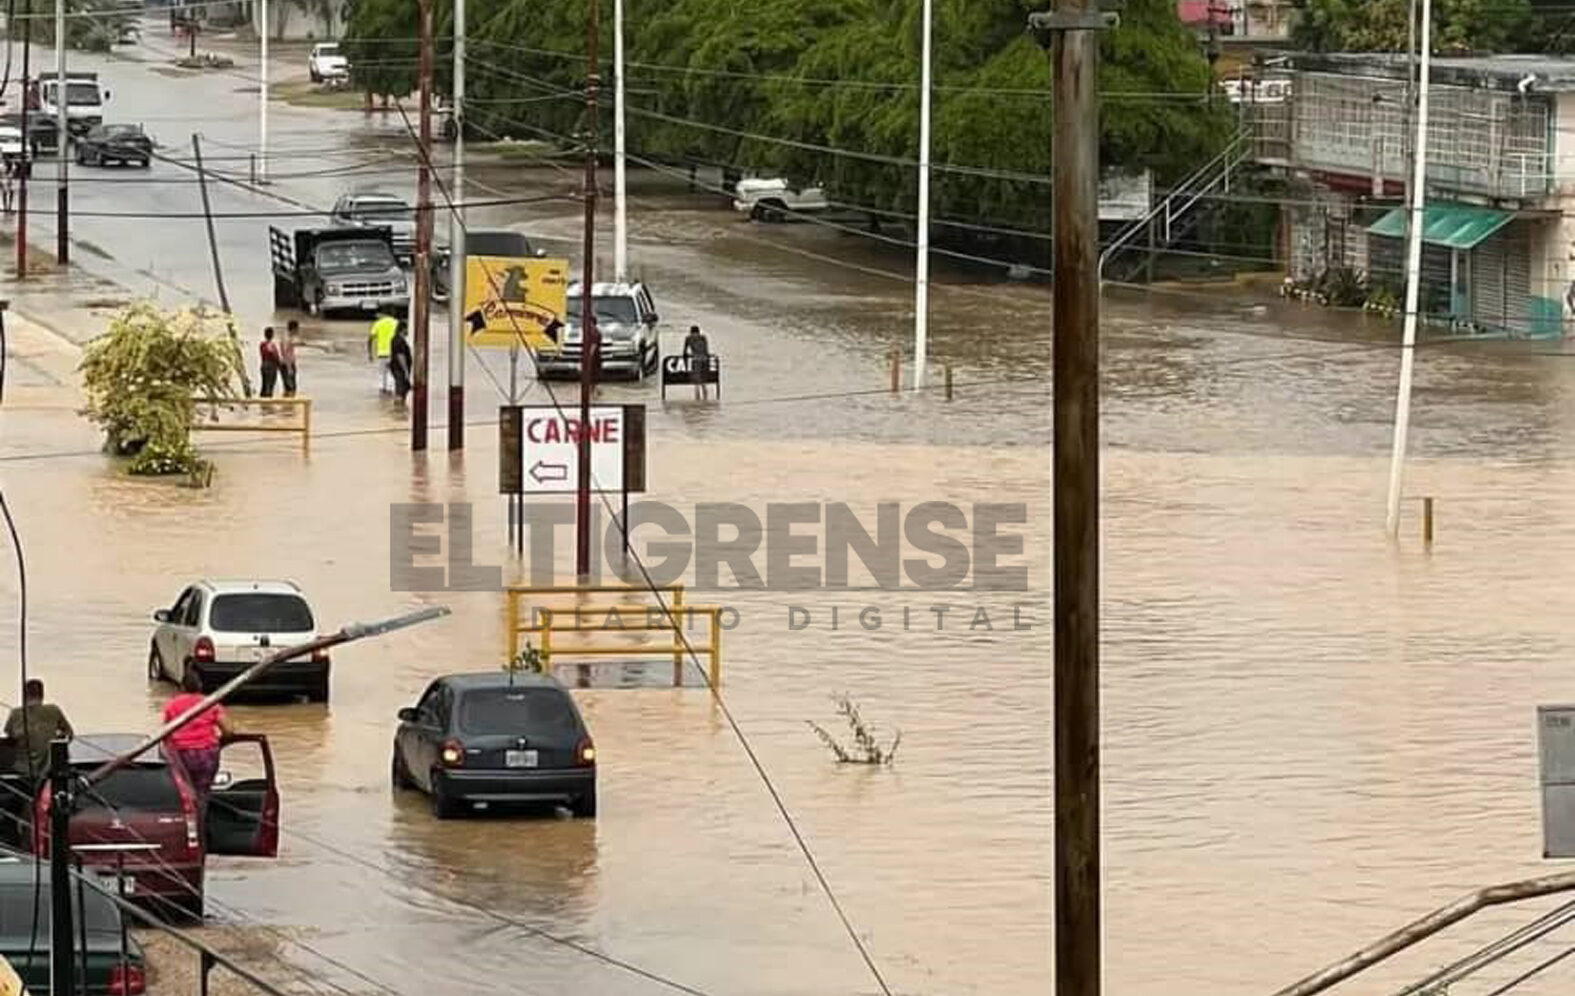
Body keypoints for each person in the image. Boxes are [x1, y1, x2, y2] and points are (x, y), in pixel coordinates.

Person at [162, 670, 233, 798]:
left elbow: (166, 733)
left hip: (181, 753)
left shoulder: (171, 705)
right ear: (200, 686)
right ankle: (201, 814)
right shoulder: (211, 704)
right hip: (207, 753)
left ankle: (189, 814)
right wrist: (218, 741)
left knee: (184, 793)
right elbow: (229, 730)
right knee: (203, 792)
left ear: (182, 687)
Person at [4, 679, 72, 784]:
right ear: (42, 694)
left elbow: (9, 734)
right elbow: (69, 734)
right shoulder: (53, 710)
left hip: (22, 769)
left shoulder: (16, 713)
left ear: (24, 694)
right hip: (48, 769)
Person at [368, 310, 399, 394]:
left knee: (382, 373)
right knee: (391, 373)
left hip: (382, 353)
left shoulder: (378, 324)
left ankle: (382, 391)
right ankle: (390, 391)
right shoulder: (396, 323)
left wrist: (370, 353)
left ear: (383, 314)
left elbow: (370, 339)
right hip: (394, 353)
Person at [683, 324, 711, 400]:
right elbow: (706, 350)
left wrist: (685, 365)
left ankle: (697, 401)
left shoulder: (688, 338)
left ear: (691, 332)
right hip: (705, 359)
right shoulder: (703, 337)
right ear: (699, 331)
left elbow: (684, 352)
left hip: (696, 360)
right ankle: (705, 400)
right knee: (704, 383)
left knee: (697, 384)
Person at [389, 321, 413, 402]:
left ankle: (401, 410)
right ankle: (399, 409)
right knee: (400, 391)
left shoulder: (395, 339)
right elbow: (400, 356)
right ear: (403, 330)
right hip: (399, 369)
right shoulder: (399, 341)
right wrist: (405, 370)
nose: (408, 331)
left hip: (396, 368)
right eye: (407, 329)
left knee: (403, 389)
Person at [259, 326, 281, 398]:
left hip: (264, 365)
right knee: (270, 386)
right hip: (271, 366)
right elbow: (273, 355)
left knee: (264, 386)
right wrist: (279, 363)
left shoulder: (262, 344)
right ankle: (267, 405)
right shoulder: (271, 345)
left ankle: (262, 404)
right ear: (272, 335)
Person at [280, 319, 300, 398]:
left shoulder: (290, 337)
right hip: (287, 365)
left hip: (290, 364)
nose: (298, 331)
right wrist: (289, 368)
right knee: (290, 388)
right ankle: (288, 407)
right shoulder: (287, 338)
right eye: (297, 329)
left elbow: (294, 343)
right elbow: (285, 354)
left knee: (292, 388)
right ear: (294, 329)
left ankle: (289, 408)